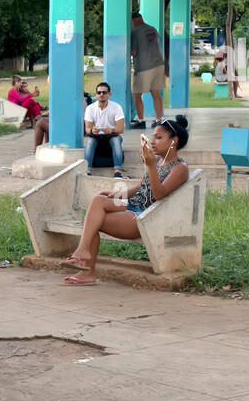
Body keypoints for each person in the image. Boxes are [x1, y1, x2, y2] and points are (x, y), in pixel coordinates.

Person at [63, 117, 190, 285]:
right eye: (153, 137)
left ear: (174, 141)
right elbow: (139, 187)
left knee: (94, 222)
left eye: (159, 138)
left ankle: (86, 267)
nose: (153, 142)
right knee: (99, 200)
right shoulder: (158, 160)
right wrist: (116, 195)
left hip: (146, 216)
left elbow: (159, 194)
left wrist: (150, 166)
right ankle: (83, 252)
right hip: (133, 205)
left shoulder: (180, 168)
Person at [129, 12, 166, 128]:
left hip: (144, 67)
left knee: (136, 94)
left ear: (134, 20)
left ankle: (140, 121)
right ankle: (158, 120)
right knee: (156, 93)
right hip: (159, 64)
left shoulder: (134, 33)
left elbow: (134, 52)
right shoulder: (153, 29)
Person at [83, 82, 126, 177]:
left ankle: (118, 171)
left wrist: (111, 130)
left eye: (104, 92)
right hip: (96, 136)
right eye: (99, 92)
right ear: (96, 95)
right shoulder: (90, 108)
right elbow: (87, 129)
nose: (101, 94)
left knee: (116, 140)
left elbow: (121, 129)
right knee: (90, 140)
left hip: (111, 135)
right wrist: (92, 131)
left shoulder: (116, 107)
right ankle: (87, 171)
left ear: (109, 94)